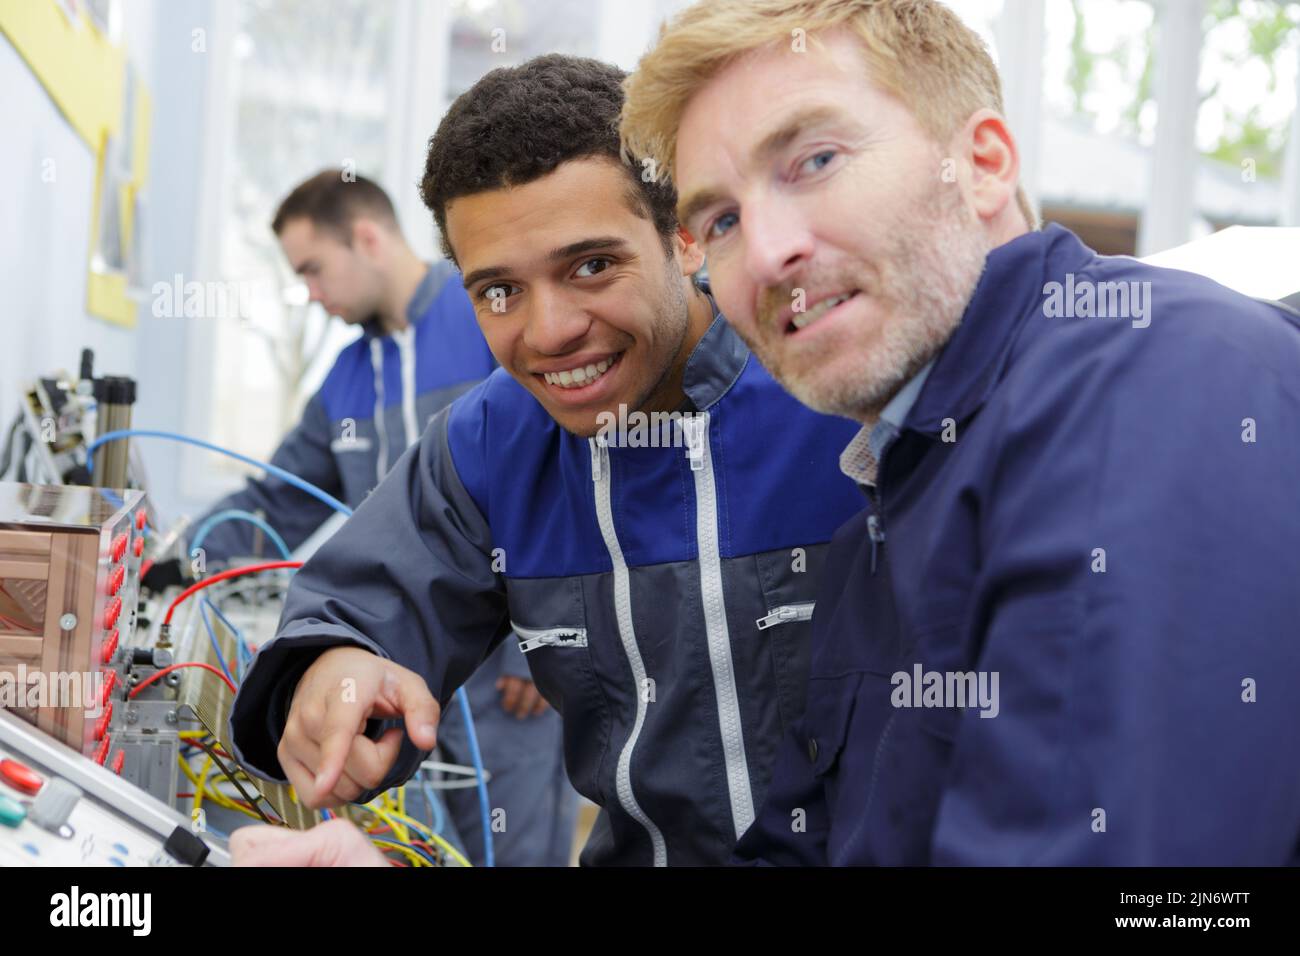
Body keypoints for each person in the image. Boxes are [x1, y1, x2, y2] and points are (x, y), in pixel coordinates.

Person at [620, 0, 1300, 864]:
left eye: (815, 160)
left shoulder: (1154, 381)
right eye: (719, 221)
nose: (763, 253)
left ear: (981, 164)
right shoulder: (889, 497)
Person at [226, 54, 864, 866]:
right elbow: (361, 601)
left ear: (684, 236)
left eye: (591, 266)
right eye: (500, 291)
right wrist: (333, 663)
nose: (549, 330)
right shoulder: (491, 442)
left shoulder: (840, 389)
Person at [193, 171, 576, 866]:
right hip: (398, 677)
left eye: (313, 268)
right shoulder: (345, 377)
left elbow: (566, 469)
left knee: (518, 850)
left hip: (510, 681)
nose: (310, 292)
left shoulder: (488, 321)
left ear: (367, 236)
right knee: (421, 848)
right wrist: (183, 551)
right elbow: (276, 498)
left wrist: (539, 643)